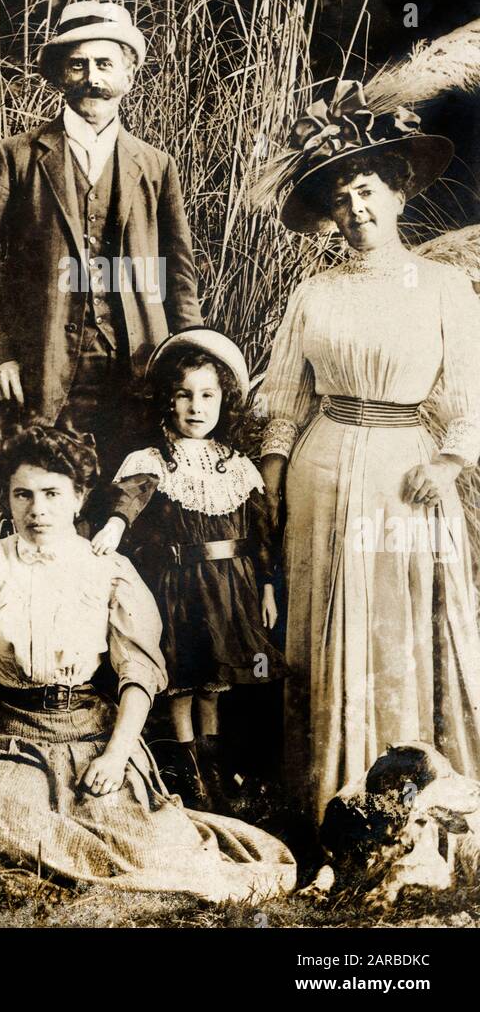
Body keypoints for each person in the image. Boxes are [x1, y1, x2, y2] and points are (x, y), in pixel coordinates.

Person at [0, 420, 296, 903]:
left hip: (92, 733)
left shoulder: (107, 568)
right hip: (10, 737)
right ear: (8, 499)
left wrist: (117, 754)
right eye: (23, 495)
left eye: (53, 494)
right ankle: (73, 875)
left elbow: (139, 673)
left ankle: (82, 872)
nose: (37, 510)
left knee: (143, 835)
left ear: (79, 498)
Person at [256, 80, 480, 821]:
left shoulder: (444, 287)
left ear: (399, 193)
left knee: (401, 627)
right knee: (321, 626)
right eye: (342, 201)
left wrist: (447, 463)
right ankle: (331, 803)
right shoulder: (313, 293)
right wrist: (273, 483)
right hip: (322, 473)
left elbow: (470, 397)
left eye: (368, 193)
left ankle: (416, 797)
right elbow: (285, 402)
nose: (356, 211)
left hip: (407, 473)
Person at [0, 1, 202, 472]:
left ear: (129, 75)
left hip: (139, 364)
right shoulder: (14, 158)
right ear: (59, 76)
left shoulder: (155, 165)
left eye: (105, 64)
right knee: (52, 493)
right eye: (79, 64)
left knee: (131, 494)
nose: (93, 77)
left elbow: (179, 272)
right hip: (43, 365)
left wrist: (187, 357)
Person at [92, 328, 285, 812]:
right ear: (167, 401)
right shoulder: (154, 460)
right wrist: (115, 526)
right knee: (182, 677)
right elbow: (130, 497)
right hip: (178, 586)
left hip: (232, 585)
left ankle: (215, 769)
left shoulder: (238, 466)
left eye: (207, 395)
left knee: (214, 684)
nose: (196, 408)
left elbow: (260, 532)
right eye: (184, 396)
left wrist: (265, 586)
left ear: (224, 402)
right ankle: (187, 771)